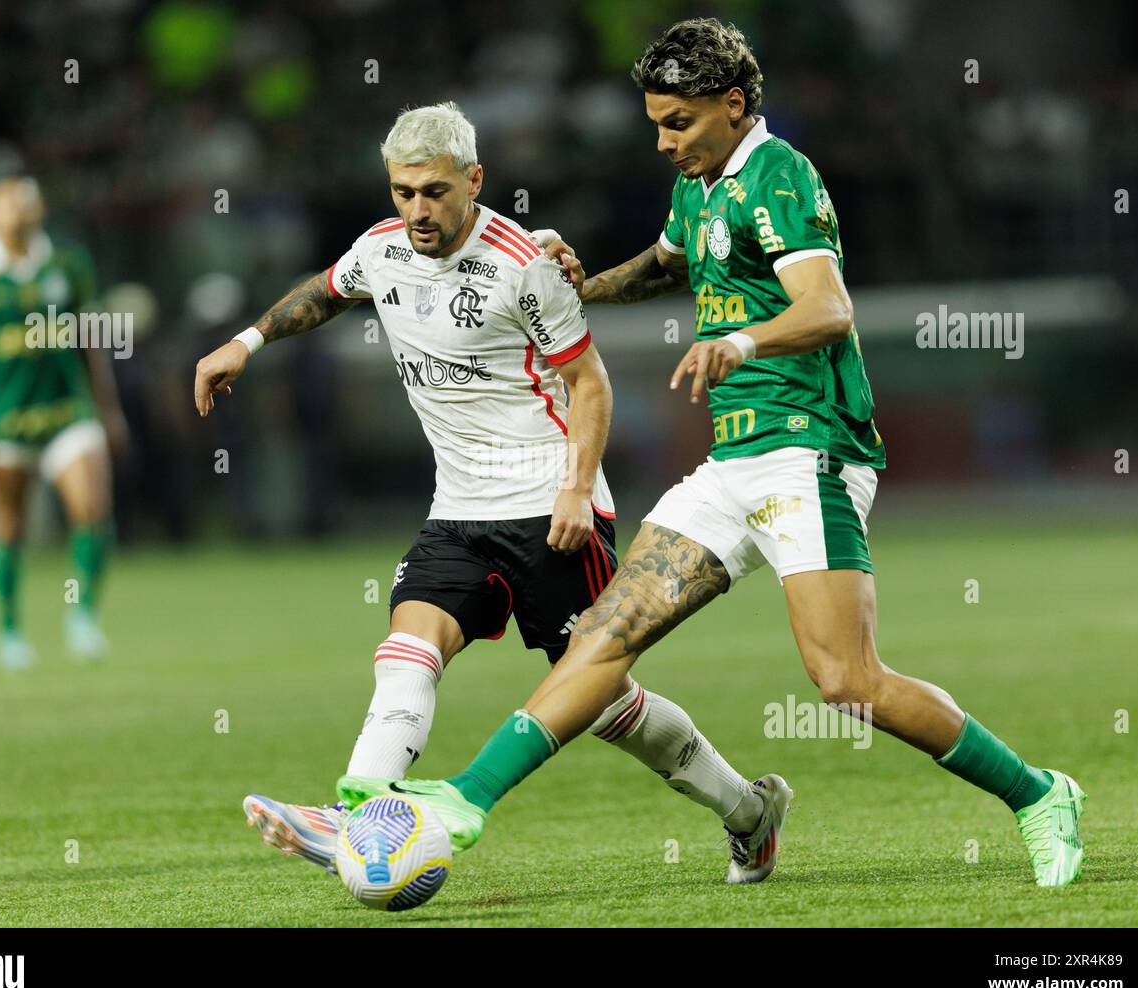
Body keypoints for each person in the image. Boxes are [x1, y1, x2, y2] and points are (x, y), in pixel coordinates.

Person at [336, 22, 1087, 889]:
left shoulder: (779, 175)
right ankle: (464, 804)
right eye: (656, 122)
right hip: (734, 464)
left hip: (810, 451)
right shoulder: (701, 185)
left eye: (679, 122)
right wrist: (581, 283)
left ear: (734, 106)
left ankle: (1039, 794)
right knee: (599, 641)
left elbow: (830, 306)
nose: (664, 141)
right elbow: (670, 260)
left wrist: (746, 343)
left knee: (845, 680)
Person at [194, 102, 769, 880]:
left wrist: (574, 491)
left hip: (549, 506)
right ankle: (356, 816)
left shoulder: (524, 261)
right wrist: (245, 341)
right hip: (457, 510)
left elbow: (588, 385)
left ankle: (748, 810)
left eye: (433, 192)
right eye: (402, 192)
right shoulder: (383, 249)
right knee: (407, 650)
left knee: (604, 703)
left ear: (475, 180)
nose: (417, 211)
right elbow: (330, 290)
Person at [0, 177, 124, 669]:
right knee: (9, 525)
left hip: (68, 411)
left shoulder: (67, 263)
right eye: (6, 201)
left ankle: (82, 617)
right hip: (9, 420)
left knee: (91, 505)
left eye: (26, 199)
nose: (18, 208)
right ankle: (9, 630)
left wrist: (108, 408)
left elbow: (92, 341)